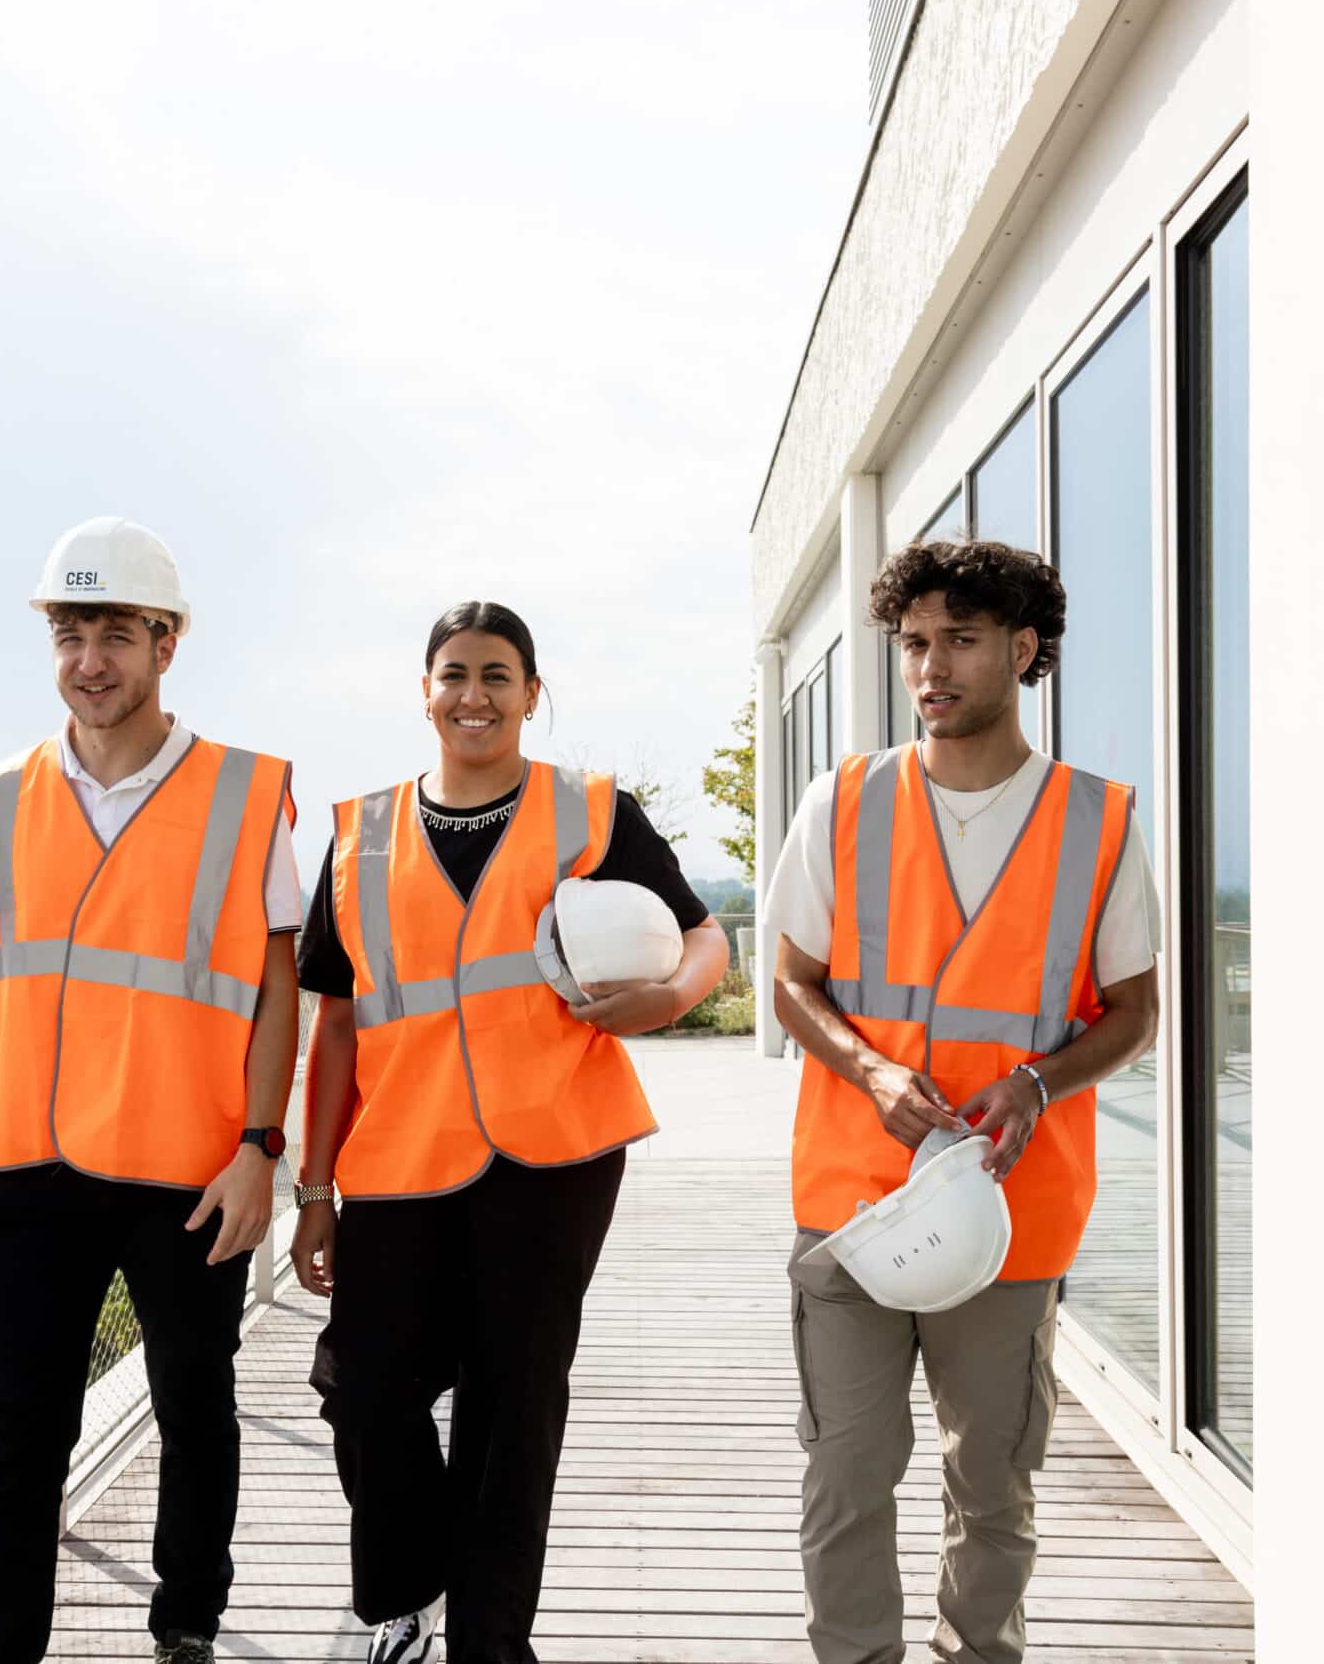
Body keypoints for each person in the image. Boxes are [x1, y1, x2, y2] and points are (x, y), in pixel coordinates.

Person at [289, 600, 731, 1664]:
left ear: (533, 694)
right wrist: (312, 1189)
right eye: (453, 674)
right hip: (397, 1150)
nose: (473, 695)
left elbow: (703, 934)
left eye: (496, 675)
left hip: (556, 1146)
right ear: (423, 690)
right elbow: (335, 1027)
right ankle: (412, 1582)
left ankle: (490, 1640)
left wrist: (667, 999)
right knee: (360, 1385)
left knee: (513, 1396)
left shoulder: (589, 811)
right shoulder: (359, 834)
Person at [764, 539, 1162, 1664]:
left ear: (1024, 651)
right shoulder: (839, 802)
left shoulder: (1099, 820)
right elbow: (790, 984)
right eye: (914, 644)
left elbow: (1134, 1012)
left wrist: (1038, 1082)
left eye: (960, 641)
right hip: (850, 1203)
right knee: (847, 1468)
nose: (929, 667)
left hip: (1007, 1215)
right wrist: (872, 1071)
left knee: (990, 1479)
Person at [0, 516, 303, 1664]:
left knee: (196, 1411)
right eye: (70, 634)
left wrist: (260, 1146)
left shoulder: (248, 794)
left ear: (166, 646)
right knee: (19, 1434)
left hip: (190, 1166)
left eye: (116, 636)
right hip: (34, 1165)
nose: (91, 660)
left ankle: (185, 1625)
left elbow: (279, 985)